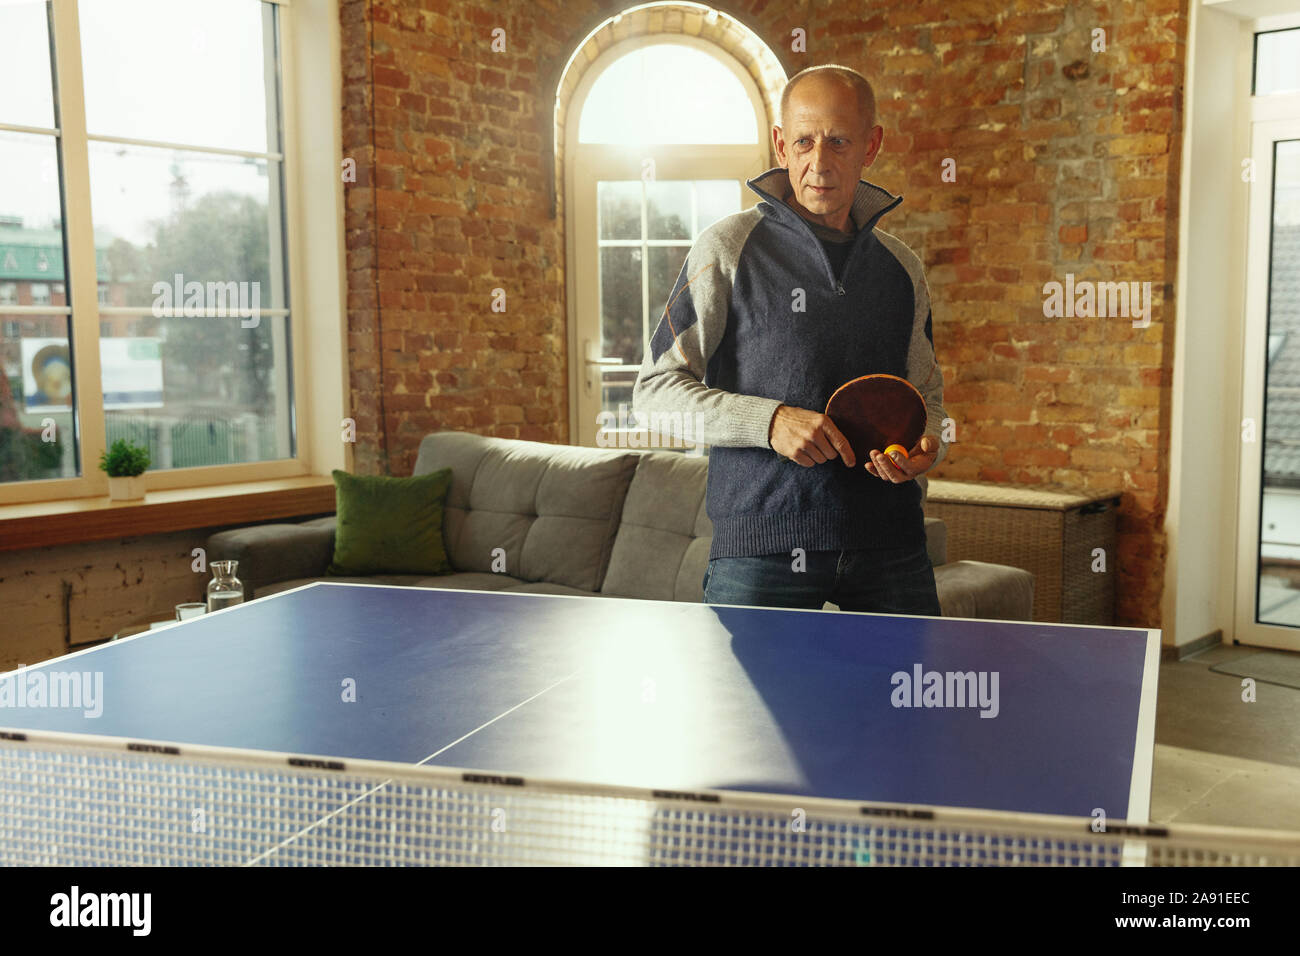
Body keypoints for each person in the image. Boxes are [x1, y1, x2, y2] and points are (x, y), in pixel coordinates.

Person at [632, 64, 949, 615]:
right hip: (762, 555)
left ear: (871, 145)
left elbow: (929, 402)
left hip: (892, 549)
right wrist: (770, 422)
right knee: (747, 708)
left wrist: (926, 448)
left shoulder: (904, 268)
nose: (819, 163)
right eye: (803, 141)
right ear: (781, 144)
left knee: (904, 706)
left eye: (840, 141)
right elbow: (654, 395)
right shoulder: (727, 248)